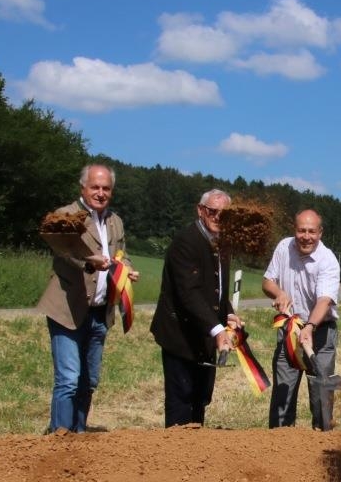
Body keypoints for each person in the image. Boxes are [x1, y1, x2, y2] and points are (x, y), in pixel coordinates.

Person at [37, 163, 139, 434]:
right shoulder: (65, 215)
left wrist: (126, 269)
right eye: (95, 187)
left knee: (89, 380)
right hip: (67, 309)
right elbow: (62, 251)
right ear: (83, 187)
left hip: (100, 312)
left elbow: (121, 254)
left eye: (106, 188)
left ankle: (79, 435)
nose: (101, 193)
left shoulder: (115, 221)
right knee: (69, 379)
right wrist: (88, 261)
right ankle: (60, 434)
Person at [150, 188, 240, 427]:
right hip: (180, 335)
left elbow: (216, 288)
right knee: (181, 401)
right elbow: (189, 293)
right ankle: (177, 458)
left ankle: (195, 455)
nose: (218, 217)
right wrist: (218, 330)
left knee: (200, 399)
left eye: (225, 214)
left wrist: (228, 312)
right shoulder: (185, 243)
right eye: (213, 211)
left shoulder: (222, 243)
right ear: (201, 210)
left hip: (205, 334)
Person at [263, 209, 341, 430]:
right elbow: (267, 281)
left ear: (320, 233)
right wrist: (278, 293)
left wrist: (309, 327)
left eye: (311, 231)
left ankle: (321, 442)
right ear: (294, 230)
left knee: (321, 397)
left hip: (321, 333)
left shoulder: (328, 261)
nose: (306, 236)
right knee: (283, 394)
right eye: (301, 230)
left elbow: (324, 300)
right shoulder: (283, 247)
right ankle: (279, 444)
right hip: (289, 331)